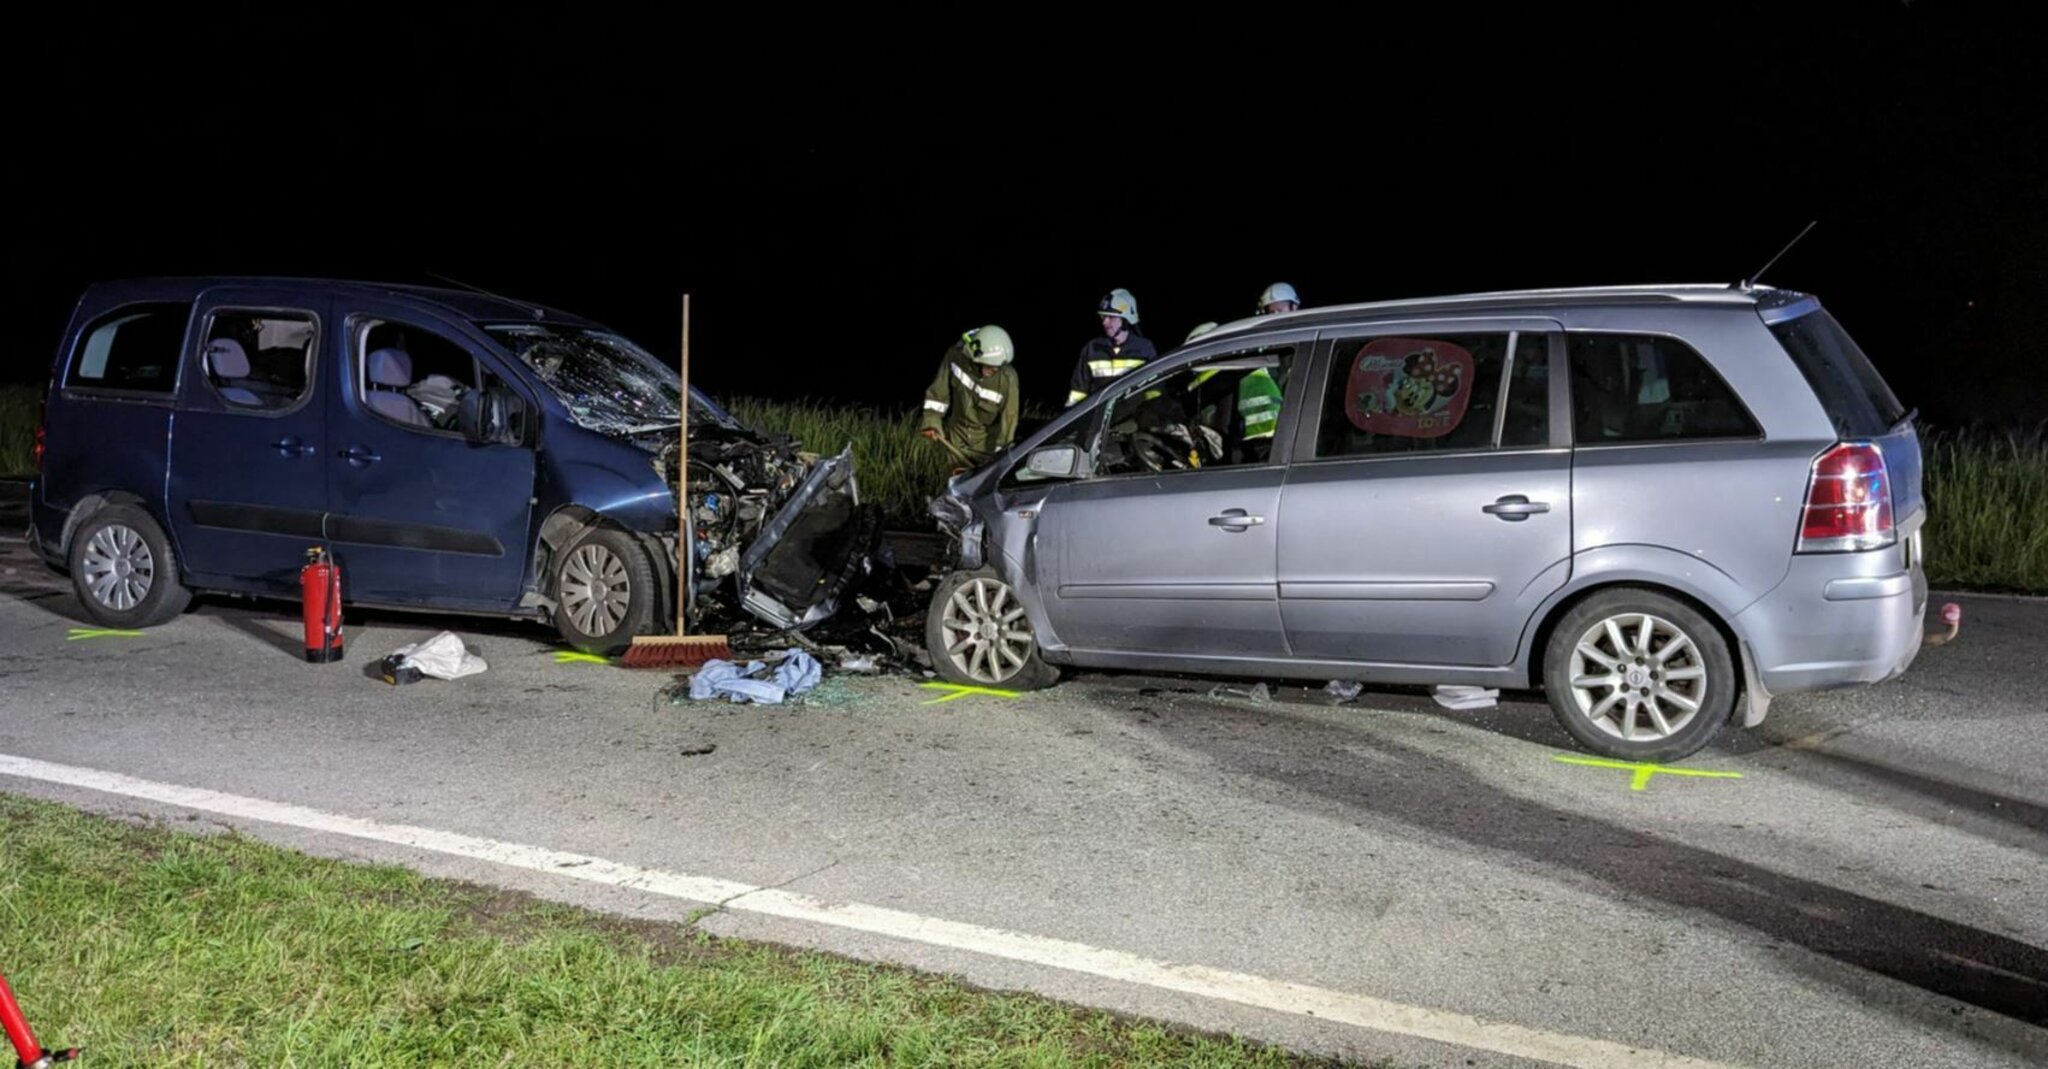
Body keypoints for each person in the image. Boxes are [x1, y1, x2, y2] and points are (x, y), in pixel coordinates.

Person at [918, 324, 1020, 473]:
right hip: (956, 441)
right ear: (976, 356)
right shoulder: (955, 356)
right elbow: (938, 393)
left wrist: (1000, 457)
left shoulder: (1008, 379)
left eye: (998, 366)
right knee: (956, 483)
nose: (995, 369)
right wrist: (931, 421)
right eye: (990, 366)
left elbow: (1009, 418)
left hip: (986, 448)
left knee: (982, 486)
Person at [1067, 287, 1157, 406]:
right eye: (1103, 317)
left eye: (1111, 317)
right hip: (1099, 416)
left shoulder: (1144, 349)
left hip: (1133, 416)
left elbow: (1154, 389)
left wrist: (1150, 411)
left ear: (1126, 320)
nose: (1105, 322)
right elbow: (1078, 392)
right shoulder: (1092, 349)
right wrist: (1072, 414)